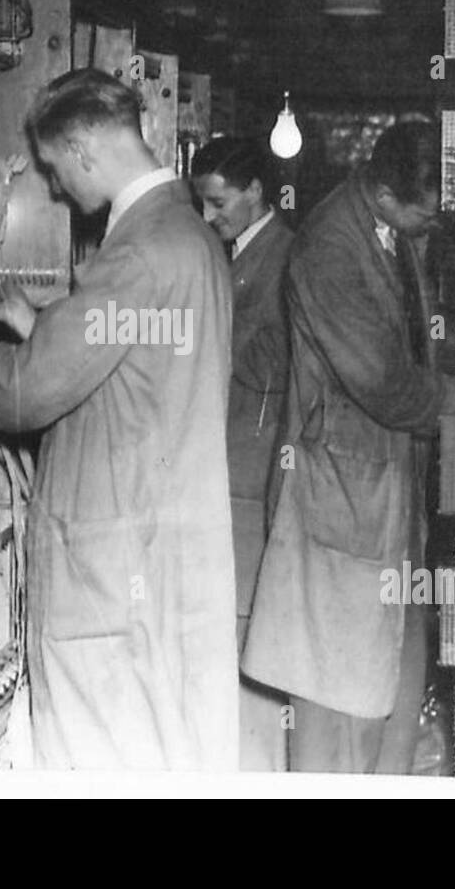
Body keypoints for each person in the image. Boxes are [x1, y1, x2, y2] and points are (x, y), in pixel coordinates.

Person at [0, 68, 238, 770]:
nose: (57, 189)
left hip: (113, 573)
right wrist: (35, 320)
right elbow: (132, 363)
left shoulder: (137, 253)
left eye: (55, 168)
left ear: (83, 150)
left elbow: (24, 392)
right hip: (158, 552)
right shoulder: (186, 236)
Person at [241, 120, 455, 773]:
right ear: (386, 195)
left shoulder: (389, 230)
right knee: (338, 702)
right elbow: (383, 383)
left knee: (386, 685)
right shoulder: (330, 248)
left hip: (384, 491)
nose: (434, 226)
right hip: (340, 495)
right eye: (427, 214)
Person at [191, 136, 292, 771]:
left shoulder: (282, 257)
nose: (208, 217)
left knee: (245, 629)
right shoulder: (240, 254)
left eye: (218, 202)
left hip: (249, 476)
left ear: (256, 191)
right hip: (230, 470)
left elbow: (257, 362)